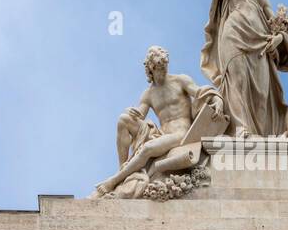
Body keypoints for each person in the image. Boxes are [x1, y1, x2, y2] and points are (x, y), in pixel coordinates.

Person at [200, 0, 288, 137]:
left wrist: (279, 37)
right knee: (236, 82)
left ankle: (260, 133)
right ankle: (241, 127)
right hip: (233, 38)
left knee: (262, 90)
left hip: (260, 43)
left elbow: (276, 25)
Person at [94, 46, 222, 197]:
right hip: (161, 134)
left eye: (165, 66)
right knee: (124, 119)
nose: (164, 71)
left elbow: (200, 92)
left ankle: (113, 181)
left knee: (147, 148)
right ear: (151, 69)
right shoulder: (148, 94)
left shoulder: (180, 80)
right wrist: (133, 112)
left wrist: (217, 98)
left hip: (182, 133)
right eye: (160, 68)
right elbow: (139, 115)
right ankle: (122, 168)